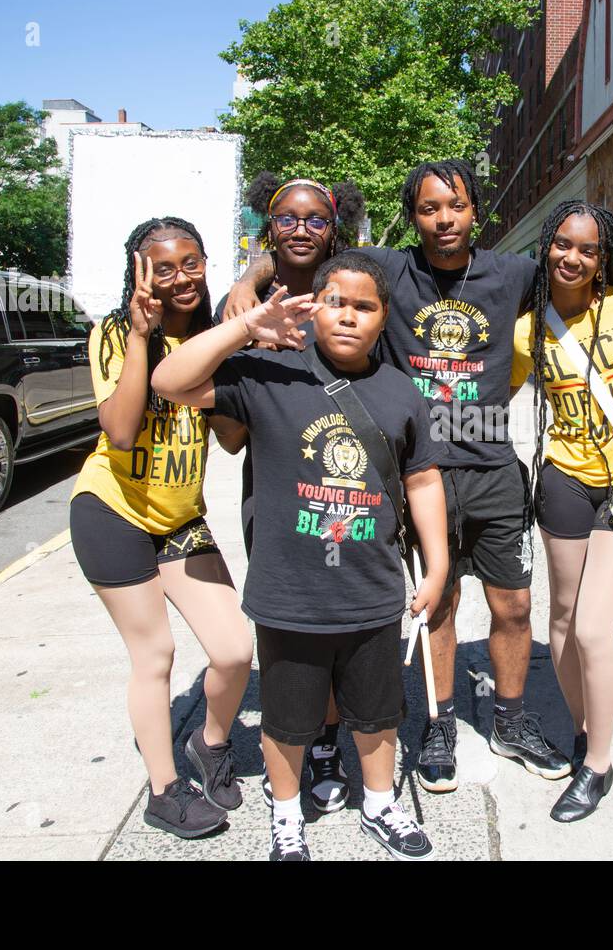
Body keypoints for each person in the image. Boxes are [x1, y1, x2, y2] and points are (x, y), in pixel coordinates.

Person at [226, 160, 613, 792]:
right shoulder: (391, 270)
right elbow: (315, 249)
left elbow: (583, 265)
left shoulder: (514, 272)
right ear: (414, 216)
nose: (444, 219)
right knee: (439, 601)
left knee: (513, 605)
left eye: (455, 206)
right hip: (420, 473)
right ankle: (440, 720)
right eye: (430, 208)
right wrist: (253, 270)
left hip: (494, 471)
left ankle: (512, 721)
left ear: (475, 212)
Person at [153, 251, 450, 861]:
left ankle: (379, 804)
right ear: (312, 307)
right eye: (334, 302)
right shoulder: (268, 374)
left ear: (384, 317)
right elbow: (169, 382)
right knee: (287, 722)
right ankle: (286, 817)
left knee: (377, 715)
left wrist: (439, 564)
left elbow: (422, 481)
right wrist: (245, 327)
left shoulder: (401, 393)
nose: (347, 317)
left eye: (364, 306)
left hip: (371, 592)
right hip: (290, 594)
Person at [69, 217, 263, 838]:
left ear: (208, 263)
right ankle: (164, 788)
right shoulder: (115, 334)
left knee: (234, 649)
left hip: (180, 520)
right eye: (163, 266)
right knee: (155, 654)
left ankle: (208, 744)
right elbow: (121, 432)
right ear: (140, 272)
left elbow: (232, 439)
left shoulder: (212, 339)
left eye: (192, 262)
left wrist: (249, 356)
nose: (181, 277)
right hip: (112, 511)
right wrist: (140, 337)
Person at [212, 173, 366, 816]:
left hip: (353, 496)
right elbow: (228, 438)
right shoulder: (245, 308)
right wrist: (250, 324)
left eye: (316, 220)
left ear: (336, 228)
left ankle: (328, 744)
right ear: (269, 226)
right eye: (288, 219)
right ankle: (293, 745)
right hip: (276, 499)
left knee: (342, 627)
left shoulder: (356, 292)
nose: (302, 229)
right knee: (289, 634)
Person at [511, 201, 613, 821]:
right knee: (565, 618)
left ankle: (598, 766)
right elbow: (484, 386)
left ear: (606, 260)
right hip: (564, 482)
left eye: (589, 250)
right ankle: (584, 730)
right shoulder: (528, 331)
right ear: (547, 247)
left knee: (596, 628)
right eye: (563, 245)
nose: (573, 258)